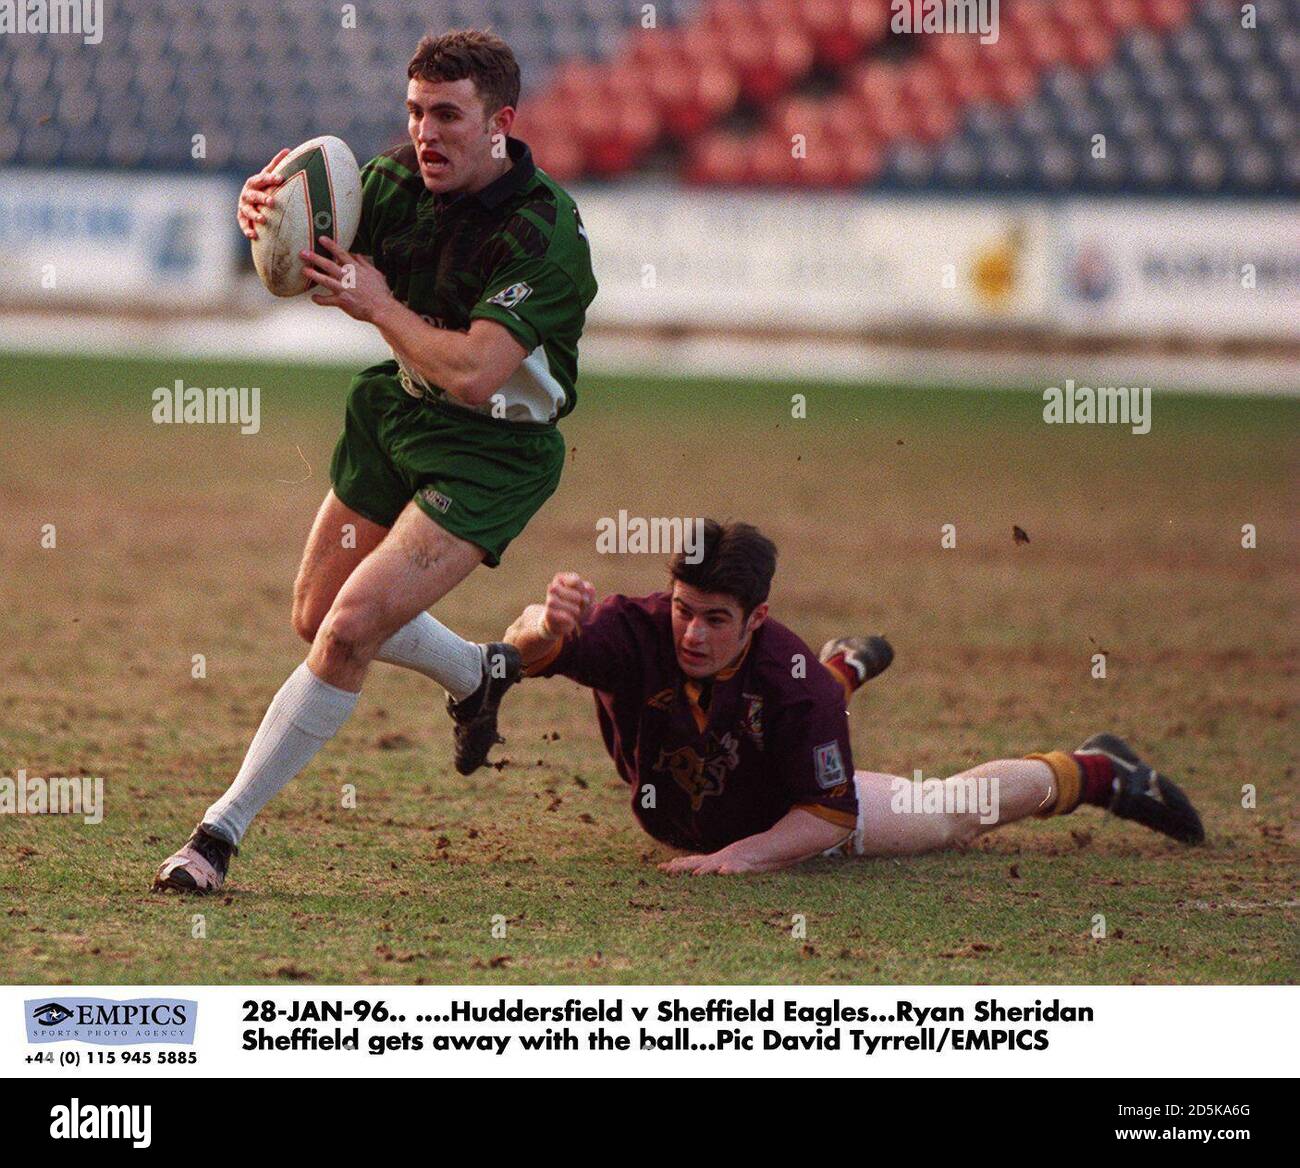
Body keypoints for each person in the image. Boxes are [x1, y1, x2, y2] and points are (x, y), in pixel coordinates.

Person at [154, 29, 596, 893]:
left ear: (500, 122)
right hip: (397, 411)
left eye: (447, 116)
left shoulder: (545, 230)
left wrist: (380, 305)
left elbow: (474, 373)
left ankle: (216, 837)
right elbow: (299, 269)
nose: (424, 133)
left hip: (495, 450)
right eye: (413, 111)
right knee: (315, 613)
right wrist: (269, 216)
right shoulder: (391, 184)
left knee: (350, 627)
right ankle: (477, 673)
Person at [490, 520, 1204, 875]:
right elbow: (520, 652)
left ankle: (1099, 769)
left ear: (756, 618)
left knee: (949, 816)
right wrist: (543, 623)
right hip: (716, 789)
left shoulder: (790, 678)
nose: (692, 634)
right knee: (784, 707)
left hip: (781, 809)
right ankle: (846, 668)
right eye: (684, 609)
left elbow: (829, 821)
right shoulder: (633, 629)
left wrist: (741, 857)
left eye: (716, 620)